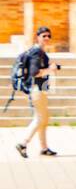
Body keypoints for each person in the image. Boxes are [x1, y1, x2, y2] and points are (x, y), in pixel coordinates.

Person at [14, 26, 57, 158]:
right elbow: (34, 72)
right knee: (40, 118)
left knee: (43, 119)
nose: (47, 38)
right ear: (37, 37)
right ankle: (23, 143)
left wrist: (54, 67)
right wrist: (50, 69)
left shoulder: (40, 52)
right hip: (37, 89)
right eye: (44, 36)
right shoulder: (36, 52)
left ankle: (44, 148)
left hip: (41, 88)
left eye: (49, 36)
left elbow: (44, 67)